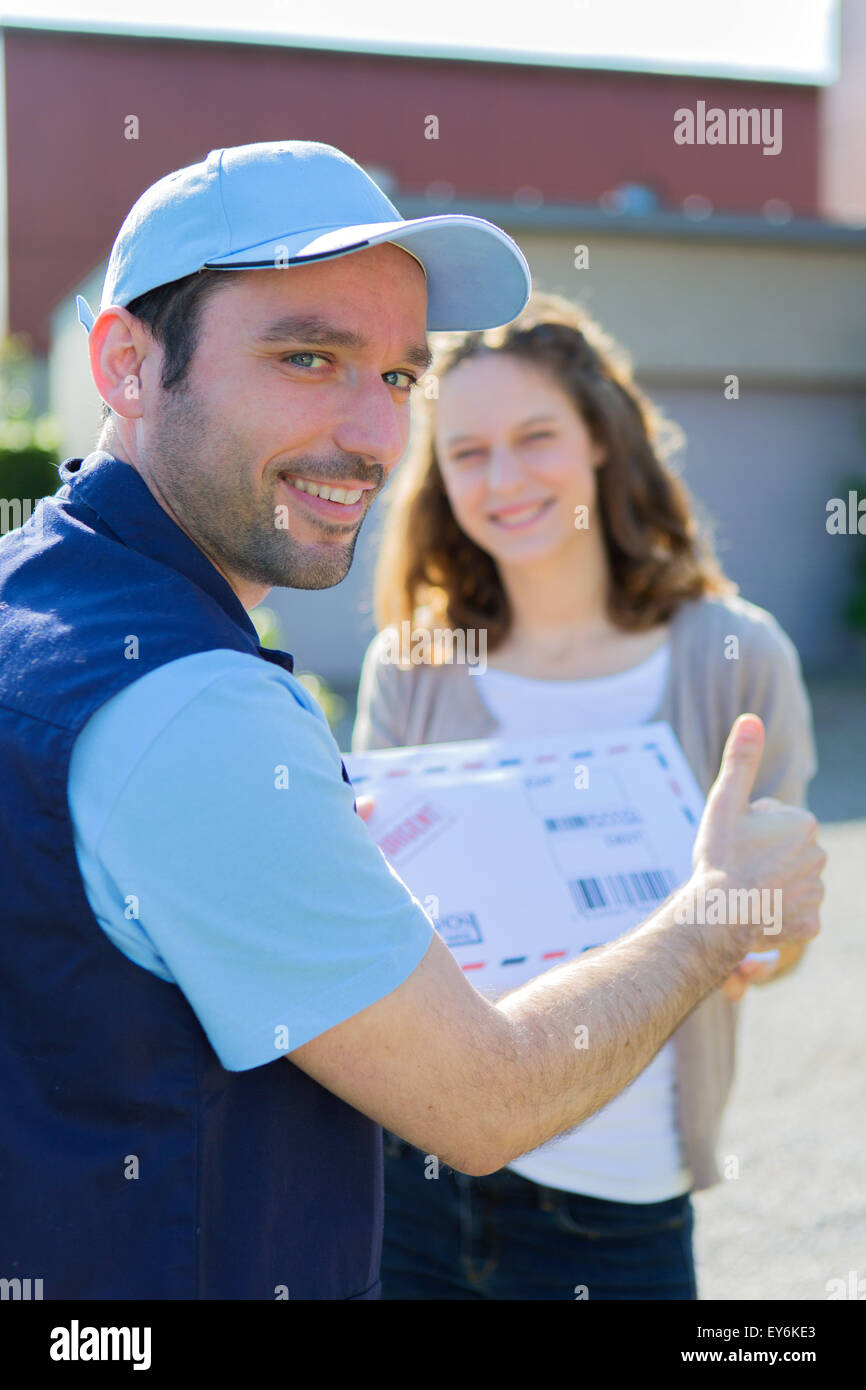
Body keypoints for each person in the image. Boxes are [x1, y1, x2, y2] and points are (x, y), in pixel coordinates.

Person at [0, 142, 824, 1301]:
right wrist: (702, 921)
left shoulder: (34, 597)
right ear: (125, 365)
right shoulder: (194, 702)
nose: (377, 435)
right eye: (306, 356)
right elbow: (482, 1099)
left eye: (395, 378)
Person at [352, 291, 820, 1300]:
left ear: (601, 443)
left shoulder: (734, 657)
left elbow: (777, 937)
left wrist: (753, 937)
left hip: (613, 1211)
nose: (505, 478)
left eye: (534, 437)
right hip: (412, 1185)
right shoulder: (413, 665)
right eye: (467, 450)